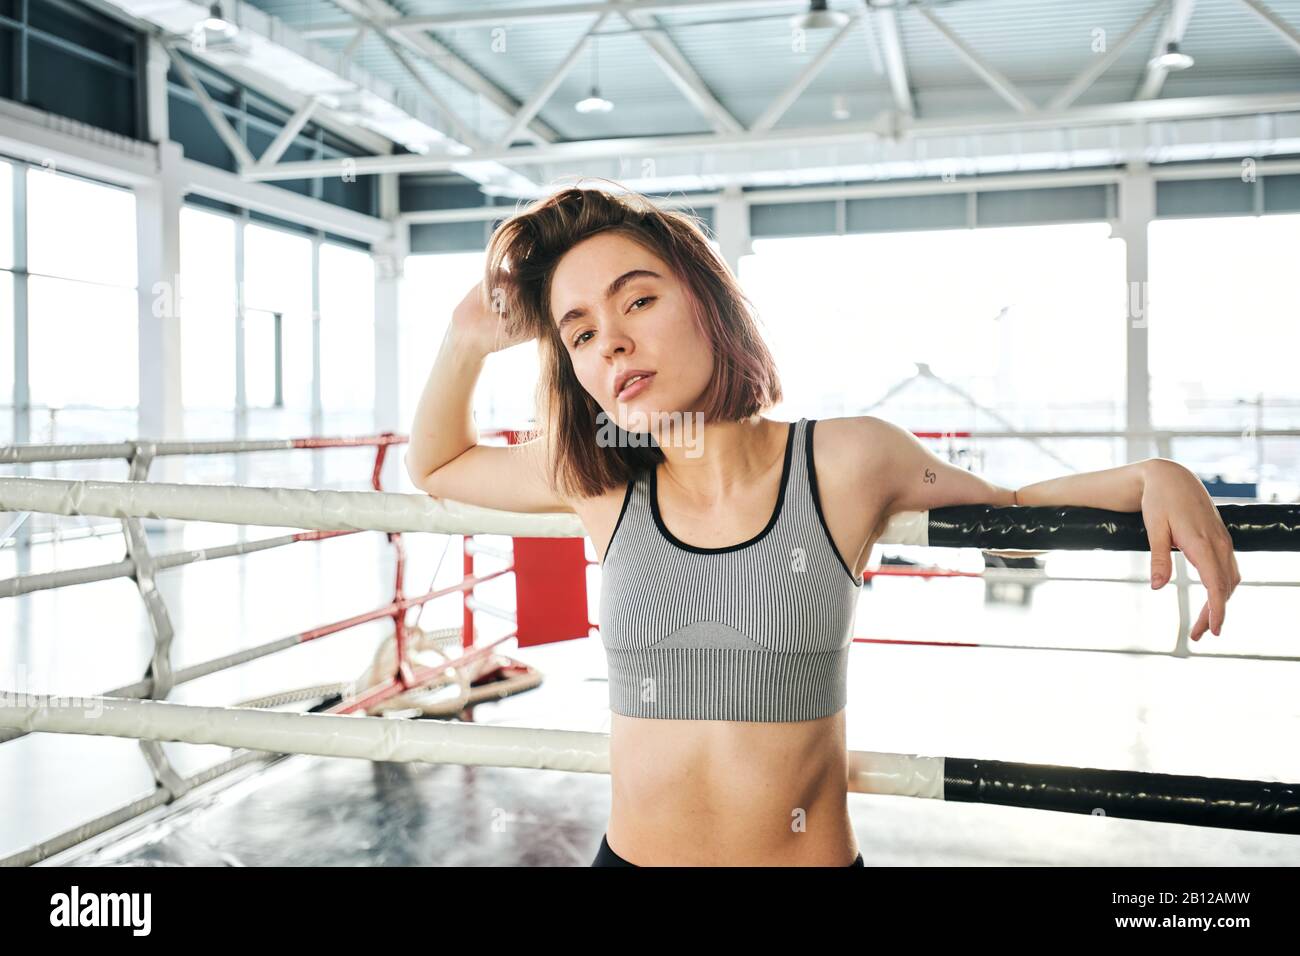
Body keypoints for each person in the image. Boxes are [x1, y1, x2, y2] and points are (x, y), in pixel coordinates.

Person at [404, 183, 1242, 867]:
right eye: (581, 333)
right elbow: (437, 465)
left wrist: (1150, 475)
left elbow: (1009, 518)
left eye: (639, 301)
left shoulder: (847, 461)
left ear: (707, 304)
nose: (612, 344)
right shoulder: (596, 475)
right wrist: (465, 342)